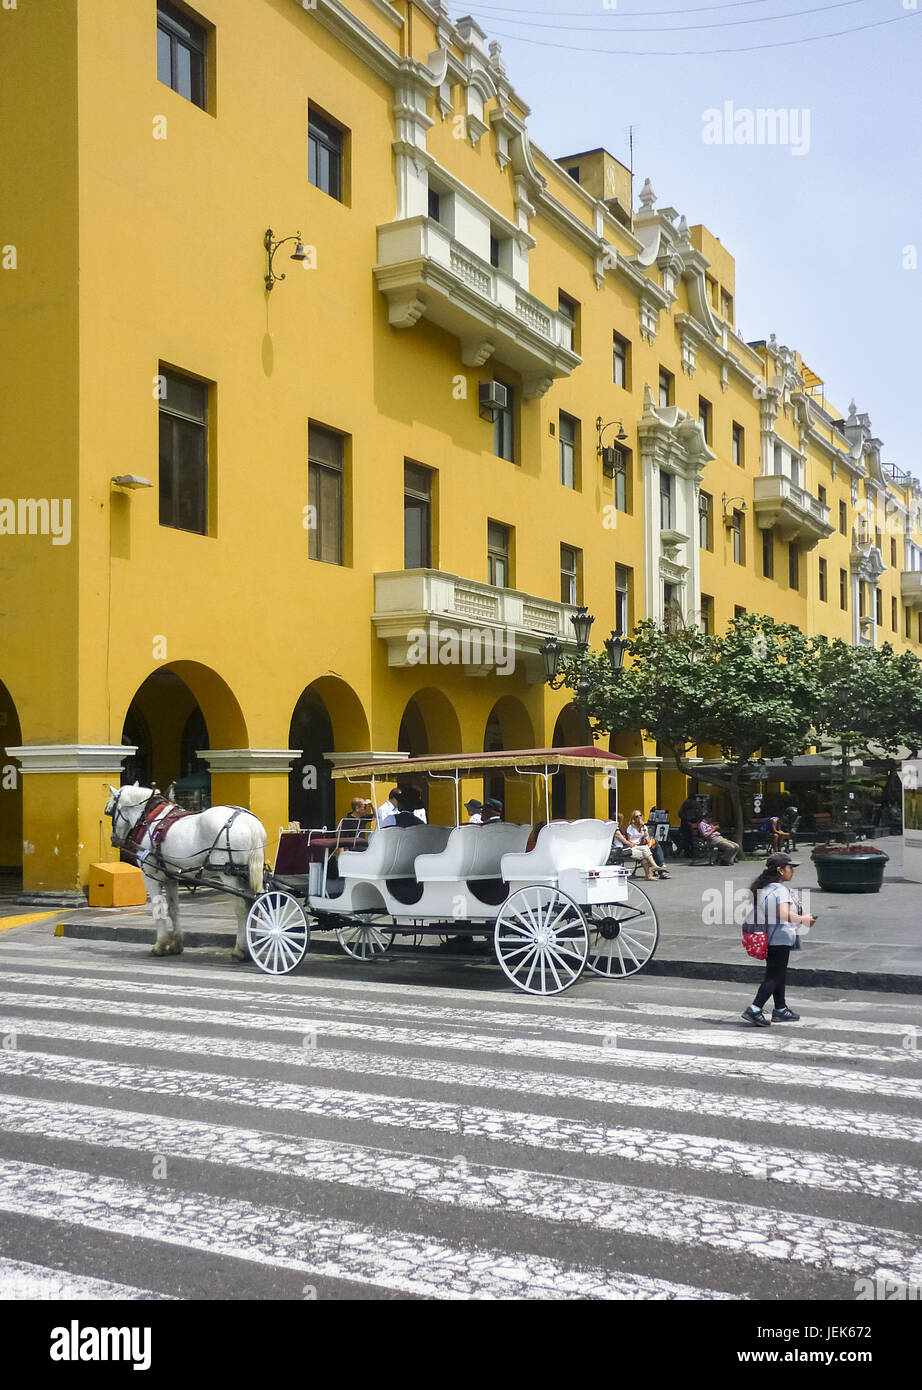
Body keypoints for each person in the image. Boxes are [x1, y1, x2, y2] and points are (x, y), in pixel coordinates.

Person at [741, 852, 815, 1027]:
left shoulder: (765, 889)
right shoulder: (781, 890)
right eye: (790, 868)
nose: (793, 871)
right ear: (780, 870)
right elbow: (783, 914)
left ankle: (780, 1009)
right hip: (780, 937)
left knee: (777, 974)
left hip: (770, 937)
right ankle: (755, 1008)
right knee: (774, 977)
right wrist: (805, 920)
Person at [625, 810, 671, 878]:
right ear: (634, 818)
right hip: (635, 846)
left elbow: (647, 838)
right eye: (637, 816)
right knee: (653, 848)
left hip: (644, 845)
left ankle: (660, 867)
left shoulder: (644, 827)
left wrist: (643, 828)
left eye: (640, 815)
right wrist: (637, 843)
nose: (639, 817)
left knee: (656, 845)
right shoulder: (631, 828)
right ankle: (660, 868)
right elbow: (629, 841)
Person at [613, 816, 657, 881]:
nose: (620, 822)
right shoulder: (616, 831)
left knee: (645, 851)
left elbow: (647, 837)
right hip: (622, 849)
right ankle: (652, 869)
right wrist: (633, 844)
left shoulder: (620, 829)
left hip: (628, 847)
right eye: (619, 820)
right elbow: (626, 842)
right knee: (644, 851)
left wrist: (643, 828)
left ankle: (650, 872)